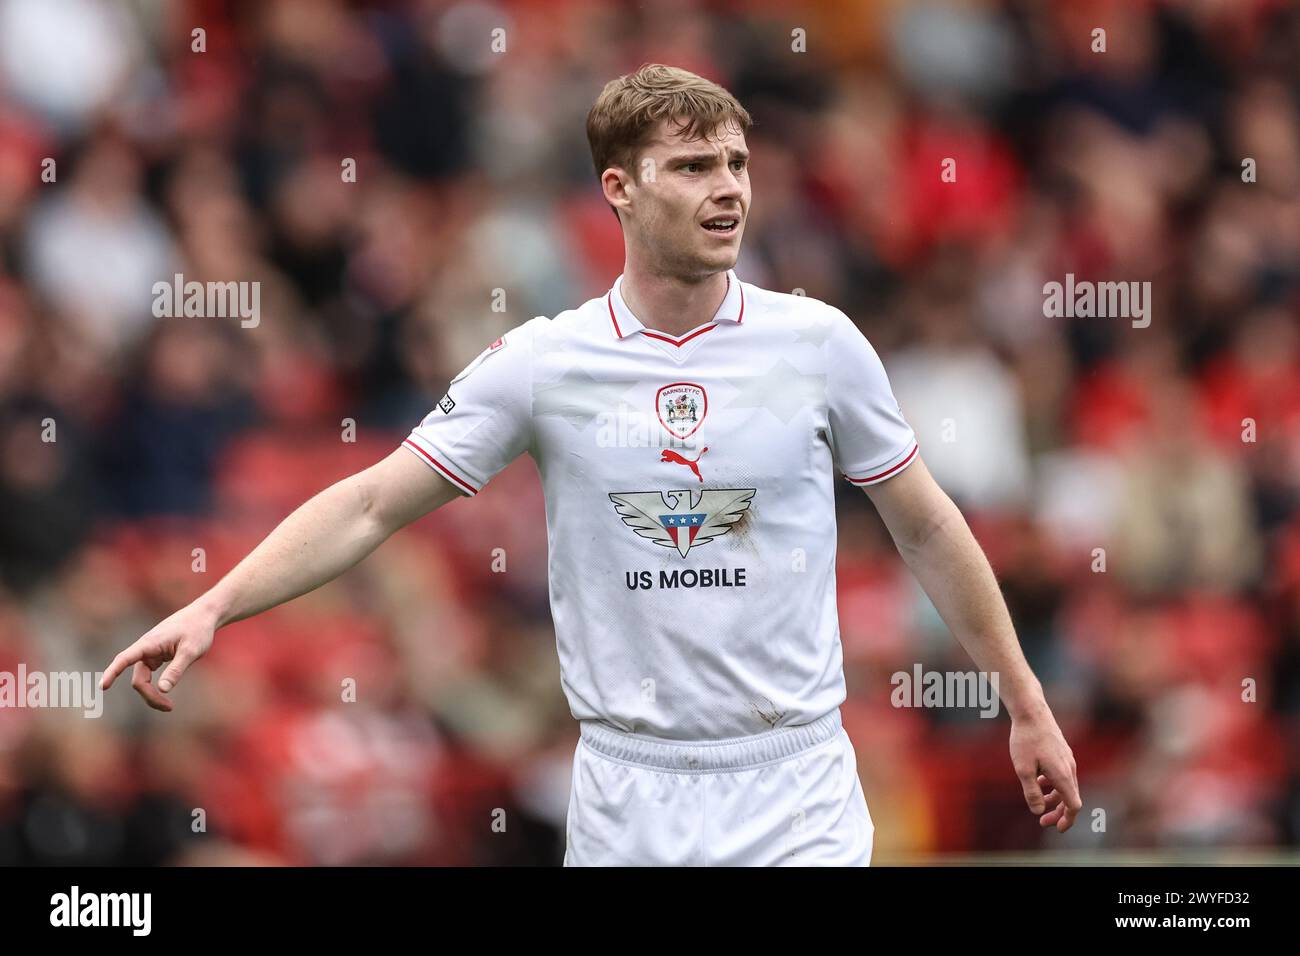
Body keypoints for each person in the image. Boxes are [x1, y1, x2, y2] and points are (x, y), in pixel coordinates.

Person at [101, 63, 1081, 866]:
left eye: (737, 162)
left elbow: (925, 522)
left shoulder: (817, 342)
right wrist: (215, 603)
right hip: (627, 794)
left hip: (796, 787)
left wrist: (1024, 702)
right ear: (619, 186)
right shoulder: (543, 362)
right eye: (694, 165)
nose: (729, 186)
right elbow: (369, 505)